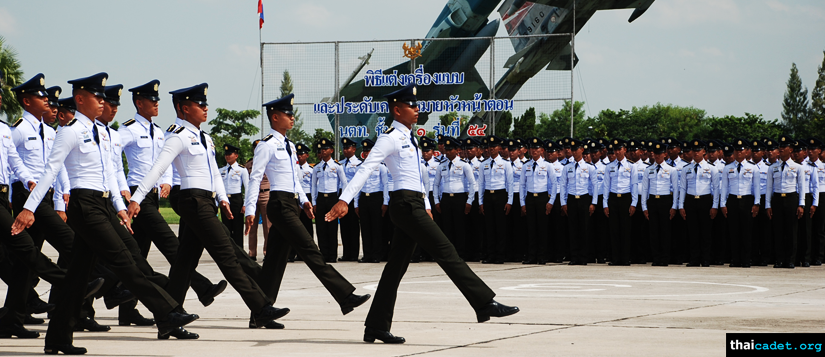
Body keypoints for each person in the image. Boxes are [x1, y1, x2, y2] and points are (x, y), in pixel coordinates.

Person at [12, 72, 198, 354]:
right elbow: (51, 171)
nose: (102, 101)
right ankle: (167, 312)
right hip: (84, 206)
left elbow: (111, 173)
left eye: (102, 97)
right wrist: (28, 208)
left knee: (77, 277)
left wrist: (121, 209)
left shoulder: (103, 132)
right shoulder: (70, 131)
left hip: (102, 205)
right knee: (123, 260)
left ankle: (58, 339)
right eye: (97, 96)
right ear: (80, 99)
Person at [326, 84, 519, 344]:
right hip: (404, 204)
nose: (417, 109)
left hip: (414, 203)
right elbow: (366, 168)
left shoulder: (411, 139)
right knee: (446, 250)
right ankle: (484, 302)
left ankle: (375, 326)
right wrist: (344, 200)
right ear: (397, 109)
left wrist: (426, 205)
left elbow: (419, 178)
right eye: (411, 105)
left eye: (416, 105)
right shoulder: (390, 138)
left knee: (395, 268)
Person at [127, 82, 288, 336]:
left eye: (205, 104)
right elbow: (158, 168)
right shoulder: (178, 136)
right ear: (183, 108)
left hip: (206, 201)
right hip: (192, 201)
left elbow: (214, 172)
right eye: (199, 104)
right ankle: (260, 307)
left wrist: (223, 198)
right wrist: (137, 198)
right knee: (227, 254)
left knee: (184, 262)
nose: (205, 108)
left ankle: (169, 317)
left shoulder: (205, 138)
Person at [243, 94, 370, 327]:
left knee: (274, 261)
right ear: (275, 117)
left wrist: (304, 201)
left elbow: (294, 180)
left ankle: (260, 311)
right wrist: (250, 209)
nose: (292, 118)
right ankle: (344, 295)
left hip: (290, 202)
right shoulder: (266, 145)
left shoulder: (289, 146)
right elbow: (255, 178)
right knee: (310, 250)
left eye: (292, 114)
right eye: (288, 114)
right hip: (279, 204)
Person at [119, 80, 226, 321]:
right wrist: (123, 187)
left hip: (152, 195)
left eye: (158, 100)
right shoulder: (128, 129)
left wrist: (166, 180)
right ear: (139, 103)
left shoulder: (160, 131)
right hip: (137, 193)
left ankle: (127, 310)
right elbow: (111, 156)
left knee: (139, 252)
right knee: (171, 244)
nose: (157, 103)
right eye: (152, 100)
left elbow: (163, 163)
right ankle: (200, 288)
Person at [766, 135, 807, 269]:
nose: (781, 149)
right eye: (781, 147)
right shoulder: (773, 167)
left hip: (791, 198)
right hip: (777, 198)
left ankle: (790, 259)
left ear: (790, 149)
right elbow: (769, 187)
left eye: (784, 147)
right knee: (778, 231)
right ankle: (779, 259)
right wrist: (768, 204)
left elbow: (801, 187)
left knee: (791, 231)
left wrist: (801, 204)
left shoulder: (797, 167)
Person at [719, 139, 760, 268]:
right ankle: (735, 259)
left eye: (741, 150)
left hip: (747, 200)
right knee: (733, 231)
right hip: (732, 200)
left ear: (746, 152)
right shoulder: (728, 168)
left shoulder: (753, 167)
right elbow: (724, 187)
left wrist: (756, 203)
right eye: (736, 151)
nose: (738, 153)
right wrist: (723, 204)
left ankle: (746, 260)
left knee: (747, 232)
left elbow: (756, 187)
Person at [433, 138, 475, 260]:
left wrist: (469, 201)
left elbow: (472, 183)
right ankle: (448, 254)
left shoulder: (464, 165)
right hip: (446, 198)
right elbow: (436, 184)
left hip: (460, 198)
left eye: (450, 149)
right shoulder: (442, 165)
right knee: (447, 227)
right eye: (446, 149)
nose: (447, 152)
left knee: (460, 227)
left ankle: (460, 253)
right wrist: (437, 201)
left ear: (457, 150)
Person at [678, 140, 718, 267]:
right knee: (693, 232)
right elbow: (682, 188)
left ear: (704, 152)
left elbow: (716, 188)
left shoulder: (711, 168)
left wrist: (715, 205)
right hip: (690, 200)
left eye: (698, 150)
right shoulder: (686, 169)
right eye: (694, 151)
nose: (696, 153)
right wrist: (681, 205)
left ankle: (706, 259)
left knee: (706, 232)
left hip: (705, 200)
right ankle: (694, 259)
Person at [641, 141, 678, 266]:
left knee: (665, 231)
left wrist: (674, 206)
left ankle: (665, 258)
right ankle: (656, 258)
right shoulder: (648, 170)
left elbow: (676, 189)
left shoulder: (671, 170)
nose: (657, 156)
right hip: (652, 201)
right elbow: (644, 189)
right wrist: (644, 207)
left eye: (660, 153)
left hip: (665, 200)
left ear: (665, 154)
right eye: (655, 154)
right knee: (654, 232)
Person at [311, 138, 348, 262]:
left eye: (326, 149)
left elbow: (344, 183)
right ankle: (323, 254)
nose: (323, 151)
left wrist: (341, 199)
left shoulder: (337, 166)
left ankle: (332, 255)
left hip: (333, 198)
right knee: (321, 228)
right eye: (322, 149)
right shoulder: (317, 167)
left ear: (331, 150)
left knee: (332, 228)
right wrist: (314, 202)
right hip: (321, 198)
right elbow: (314, 186)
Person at [602, 139, 638, 266]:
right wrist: (605, 204)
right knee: (614, 230)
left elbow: (634, 185)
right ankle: (615, 258)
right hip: (613, 198)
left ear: (624, 150)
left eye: (619, 149)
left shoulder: (631, 166)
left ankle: (625, 258)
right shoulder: (609, 166)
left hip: (626, 198)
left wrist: (634, 203)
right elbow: (606, 185)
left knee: (625, 230)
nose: (617, 152)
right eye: (615, 150)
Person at [560, 139, 596, 265]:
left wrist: (593, 203)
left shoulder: (589, 167)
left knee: (584, 229)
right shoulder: (567, 167)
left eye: (577, 150)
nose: (574, 152)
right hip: (571, 199)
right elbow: (563, 185)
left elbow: (594, 185)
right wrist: (563, 203)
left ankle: (583, 257)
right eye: (572, 150)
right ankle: (574, 256)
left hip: (584, 198)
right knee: (573, 229)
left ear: (582, 150)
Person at [478, 136, 513, 264]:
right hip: (488, 195)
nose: (491, 149)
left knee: (500, 227)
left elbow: (510, 183)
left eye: (494, 147)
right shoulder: (484, 164)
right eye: (490, 147)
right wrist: (480, 202)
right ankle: (490, 254)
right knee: (489, 227)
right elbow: (481, 184)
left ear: (499, 148)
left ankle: (500, 255)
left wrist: (509, 201)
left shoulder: (505, 164)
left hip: (500, 194)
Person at [519, 138, 554, 264]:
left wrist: (551, 202)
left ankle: (542, 256)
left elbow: (554, 184)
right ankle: (531, 256)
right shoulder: (526, 166)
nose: (534, 151)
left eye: (536, 149)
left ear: (542, 150)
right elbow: (522, 185)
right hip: (530, 198)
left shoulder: (547, 166)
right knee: (531, 228)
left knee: (542, 228)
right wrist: (522, 203)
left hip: (542, 198)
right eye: (532, 149)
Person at [354, 139, 388, 263]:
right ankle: (367, 254)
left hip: (376, 198)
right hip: (364, 198)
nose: (366, 153)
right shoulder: (360, 168)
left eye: (369, 150)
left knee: (377, 228)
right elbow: (357, 186)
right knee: (365, 228)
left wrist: (385, 202)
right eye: (365, 151)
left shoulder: (381, 167)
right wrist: (356, 204)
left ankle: (376, 255)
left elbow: (385, 185)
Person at [245, 140, 273, 261]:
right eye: (255, 147)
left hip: (265, 194)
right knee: (251, 226)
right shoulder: (249, 164)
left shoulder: (269, 162)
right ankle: (252, 253)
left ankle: (267, 252)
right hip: (253, 195)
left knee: (267, 226)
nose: (257, 149)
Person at [219, 144, 249, 248]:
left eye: (230, 154)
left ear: (236, 155)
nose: (227, 156)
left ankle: (239, 250)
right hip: (225, 199)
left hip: (236, 200)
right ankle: (228, 250)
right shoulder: (221, 170)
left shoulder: (242, 170)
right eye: (226, 154)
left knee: (237, 227)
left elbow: (247, 187)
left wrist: (245, 204)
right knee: (226, 227)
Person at [339, 137, 361, 261]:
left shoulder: (358, 164)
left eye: (348, 148)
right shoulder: (340, 164)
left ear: (354, 149)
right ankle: (346, 253)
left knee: (353, 227)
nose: (345, 150)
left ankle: (354, 254)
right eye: (344, 148)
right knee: (344, 226)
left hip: (353, 198)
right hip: (342, 198)